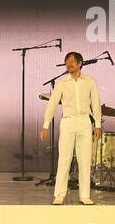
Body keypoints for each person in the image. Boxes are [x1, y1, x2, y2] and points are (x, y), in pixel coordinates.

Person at [40, 52, 102, 205]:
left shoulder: (89, 81)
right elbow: (52, 103)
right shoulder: (62, 83)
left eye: (72, 61)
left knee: (84, 159)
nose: (69, 64)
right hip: (68, 121)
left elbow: (95, 103)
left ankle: (85, 195)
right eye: (67, 62)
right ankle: (60, 194)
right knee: (65, 158)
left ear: (80, 63)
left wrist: (98, 125)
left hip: (84, 121)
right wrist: (45, 125)